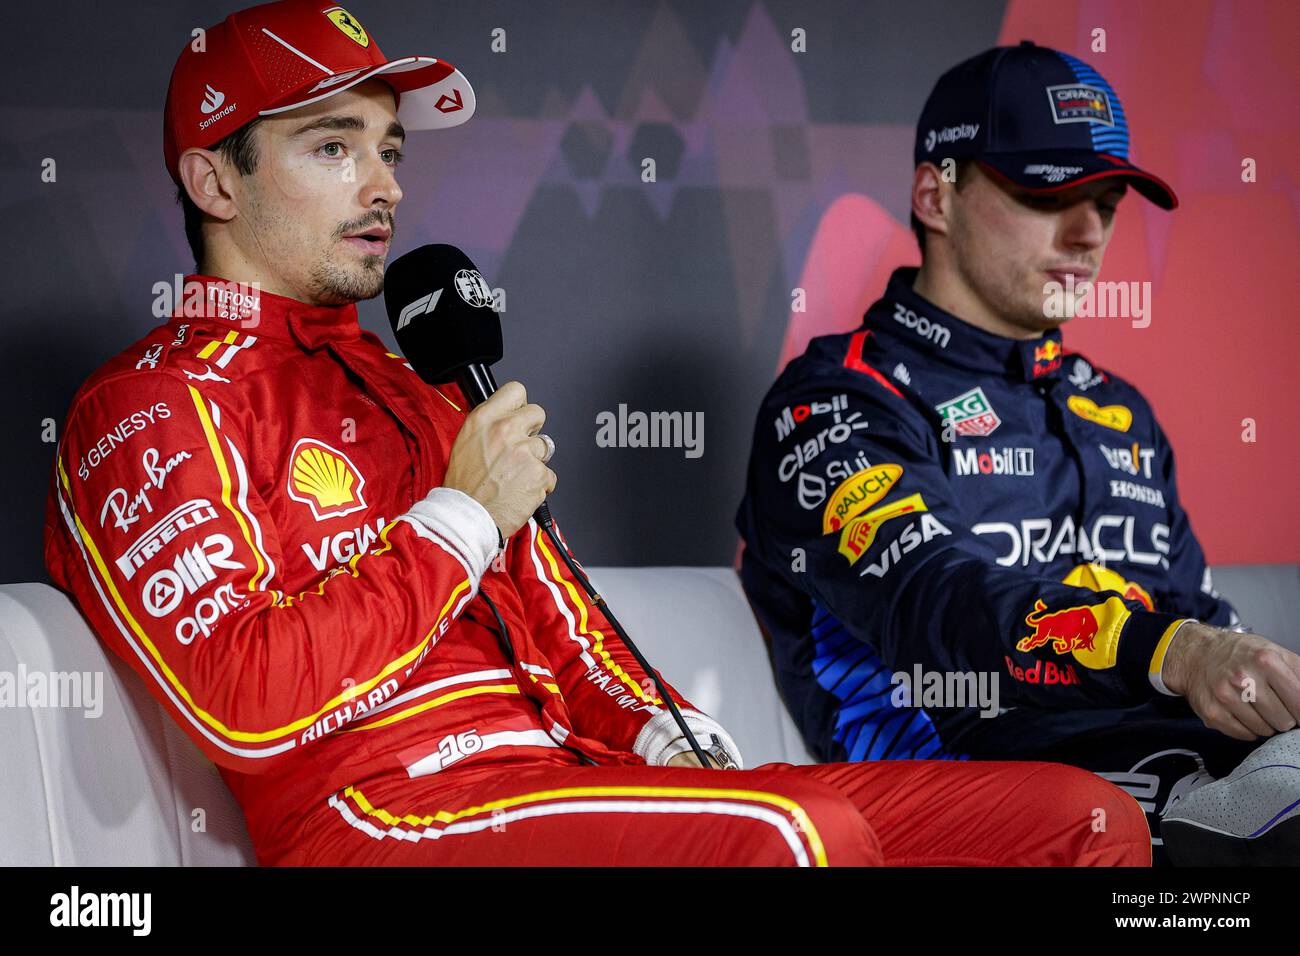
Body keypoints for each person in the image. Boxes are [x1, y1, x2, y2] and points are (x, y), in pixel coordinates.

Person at [43, 2, 1149, 867]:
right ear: (211, 179)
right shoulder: (145, 405)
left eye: (389, 150)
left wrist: (662, 736)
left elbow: (565, 621)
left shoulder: (417, 385)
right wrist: (460, 516)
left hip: (567, 781)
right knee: (792, 839)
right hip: (378, 816)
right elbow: (243, 701)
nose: (383, 183)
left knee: (1077, 818)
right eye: (334, 148)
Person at [735, 41, 1300, 865]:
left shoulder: (1118, 412)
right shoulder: (835, 401)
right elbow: (938, 606)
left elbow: (1204, 628)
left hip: (1160, 766)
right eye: (1049, 193)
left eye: (1106, 202)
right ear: (937, 194)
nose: (1087, 234)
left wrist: (1242, 676)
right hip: (961, 782)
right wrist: (1171, 651)